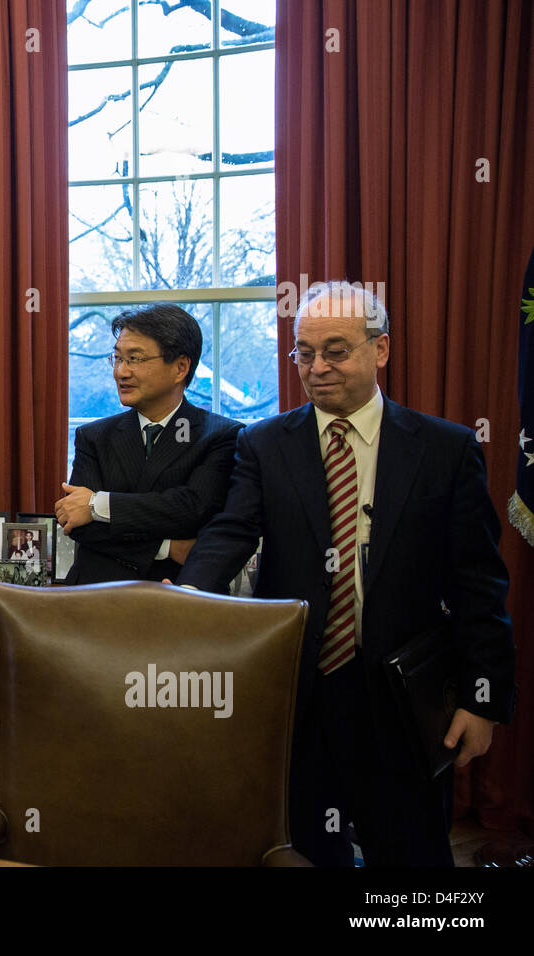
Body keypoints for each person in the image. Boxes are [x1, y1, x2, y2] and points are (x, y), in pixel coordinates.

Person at [177, 281, 516, 866]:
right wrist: (184, 599)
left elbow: (478, 582)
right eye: (304, 353)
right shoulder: (264, 444)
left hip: (404, 696)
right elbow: (231, 532)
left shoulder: (445, 449)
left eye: (336, 350)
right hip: (300, 691)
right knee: (306, 847)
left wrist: (483, 699)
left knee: (411, 861)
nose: (317, 367)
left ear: (380, 349)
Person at [55, 303, 242, 584]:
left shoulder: (220, 435)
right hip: (95, 597)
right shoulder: (94, 437)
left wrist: (97, 504)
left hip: (178, 598)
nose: (121, 372)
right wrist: (167, 547)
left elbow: (192, 509)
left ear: (180, 367)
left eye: (135, 359)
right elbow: (79, 525)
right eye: (117, 358)